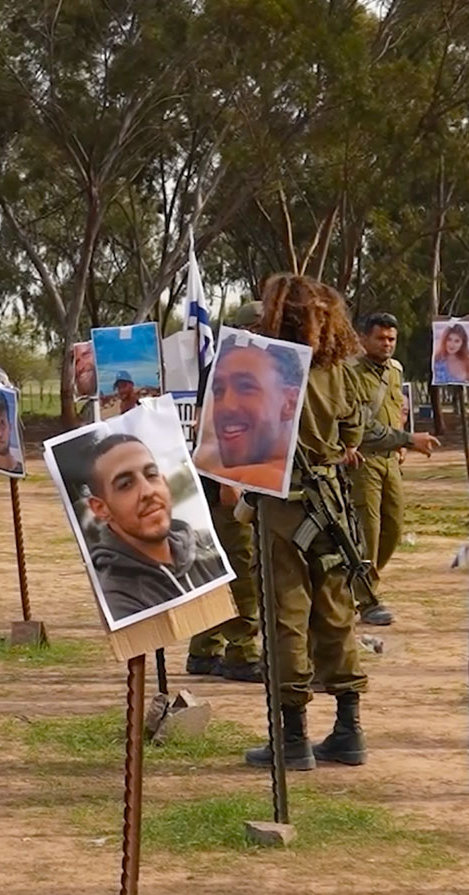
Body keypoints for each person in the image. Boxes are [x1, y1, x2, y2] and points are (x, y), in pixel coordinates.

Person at [243, 276, 368, 771]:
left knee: (285, 614)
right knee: (336, 611)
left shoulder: (260, 368)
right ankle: (348, 730)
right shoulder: (339, 370)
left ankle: (291, 738)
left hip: (282, 504)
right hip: (332, 503)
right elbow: (352, 431)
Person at [187, 301, 266, 681]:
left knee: (215, 565)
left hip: (228, 480)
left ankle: (204, 648)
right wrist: (229, 481)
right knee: (240, 566)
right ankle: (242, 652)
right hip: (227, 484)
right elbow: (214, 425)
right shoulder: (231, 369)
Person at [346, 313, 441, 627]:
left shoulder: (395, 371)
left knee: (394, 528)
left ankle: (359, 583)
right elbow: (363, 427)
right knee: (367, 532)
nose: (387, 344)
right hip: (364, 461)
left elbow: (396, 409)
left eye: (391, 339)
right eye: (380, 338)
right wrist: (409, 439)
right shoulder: (351, 373)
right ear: (363, 338)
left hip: (390, 460)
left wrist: (400, 442)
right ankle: (366, 599)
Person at [82, 433, 227, 623]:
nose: (148, 492)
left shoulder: (208, 551)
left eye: (151, 475)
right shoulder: (116, 592)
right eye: (125, 484)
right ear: (101, 508)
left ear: (165, 483)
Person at [193, 337, 303, 493]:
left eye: (246, 387)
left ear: (290, 403)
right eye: (218, 391)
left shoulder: (276, 480)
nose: (227, 406)